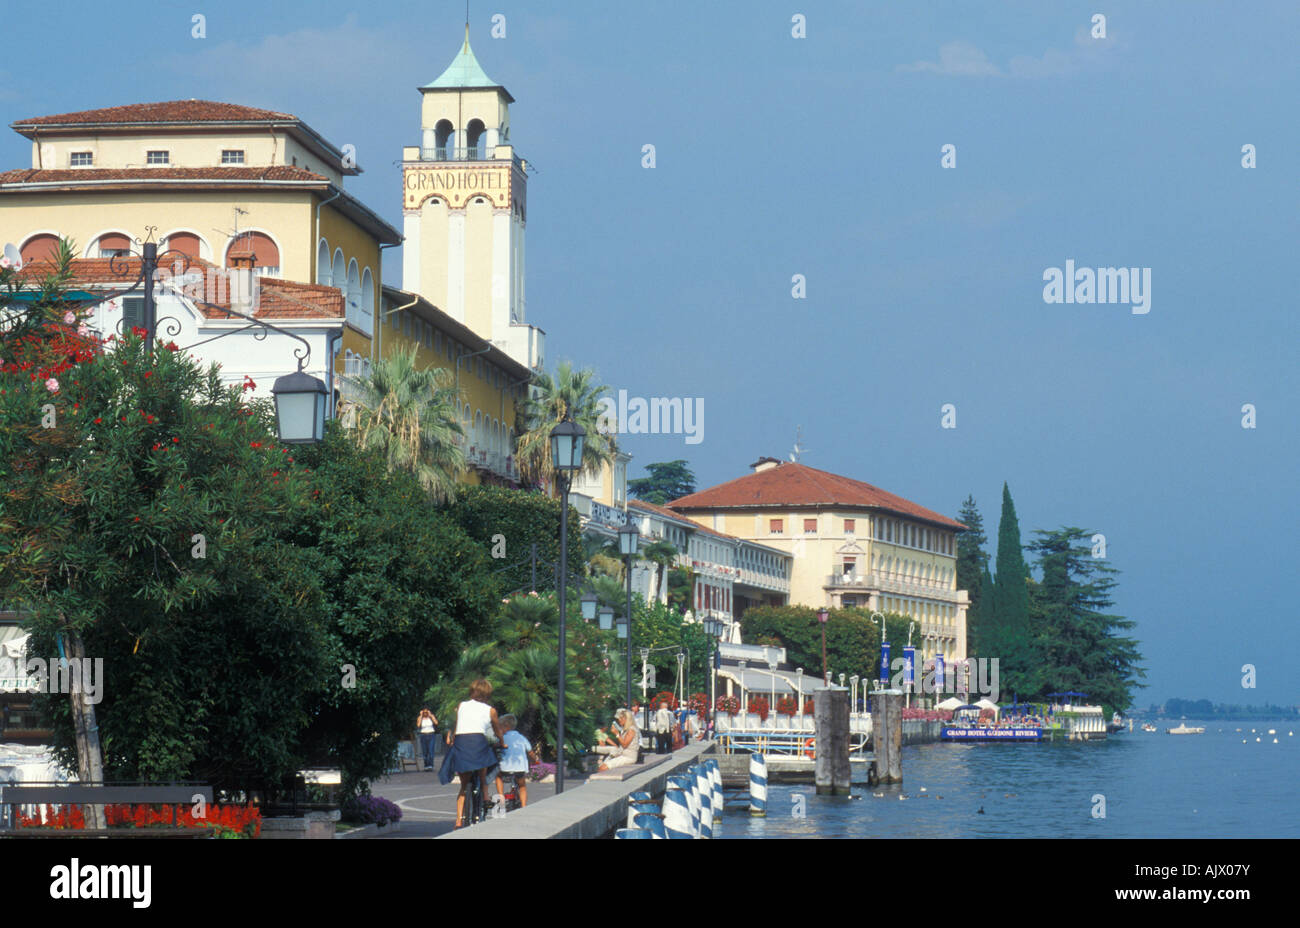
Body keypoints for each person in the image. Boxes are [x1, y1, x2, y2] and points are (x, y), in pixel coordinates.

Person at [439, 678, 506, 828]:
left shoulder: (461, 705)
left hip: (462, 743)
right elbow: (497, 730)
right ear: (487, 693)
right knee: (485, 762)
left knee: (463, 786)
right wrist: (502, 742)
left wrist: (454, 736)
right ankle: (486, 795)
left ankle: (458, 821)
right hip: (477, 742)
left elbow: (458, 724)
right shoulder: (490, 710)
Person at [494, 714, 536, 808]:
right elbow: (530, 752)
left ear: (506, 726)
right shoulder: (521, 738)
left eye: (501, 727)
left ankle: (501, 798)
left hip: (505, 768)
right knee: (522, 786)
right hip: (520, 768)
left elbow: (495, 747)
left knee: (498, 776)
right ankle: (524, 806)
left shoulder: (502, 738)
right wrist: (535, 760)